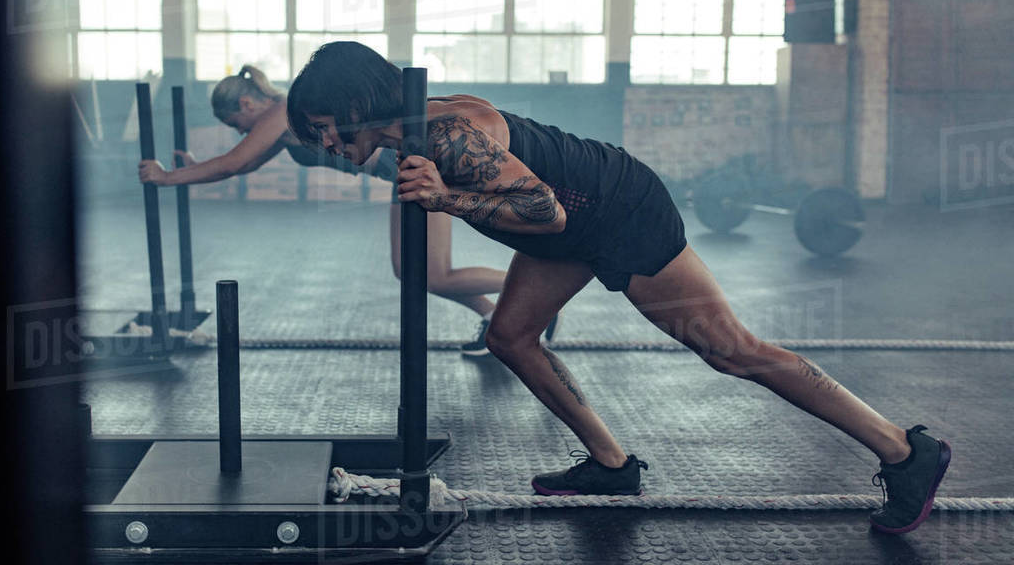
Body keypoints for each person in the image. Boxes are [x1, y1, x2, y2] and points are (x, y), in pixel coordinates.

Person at [284, 40, 951, 534]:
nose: (321, 144)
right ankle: (611, 463)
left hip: (620, 210)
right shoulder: (407, 133)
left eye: (320, 127)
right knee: (511, 337)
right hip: (575, 229)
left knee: (732, 351)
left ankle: (904, 449)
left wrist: (447, 201)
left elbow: (547, 210)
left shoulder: (447, 135)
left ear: (351, 106)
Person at [138, 64, 528, 356]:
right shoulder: (282, 121)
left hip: (423, 166)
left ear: (246, 103)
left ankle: (530, 293)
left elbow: (234, 162)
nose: (239, 131)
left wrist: (167, 178)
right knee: (415, 273)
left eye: (235, 122)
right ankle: (496, 315)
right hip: (403, 175)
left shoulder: (281, 111)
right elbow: (244, 163)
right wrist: (185, 171)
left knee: (433, 275)